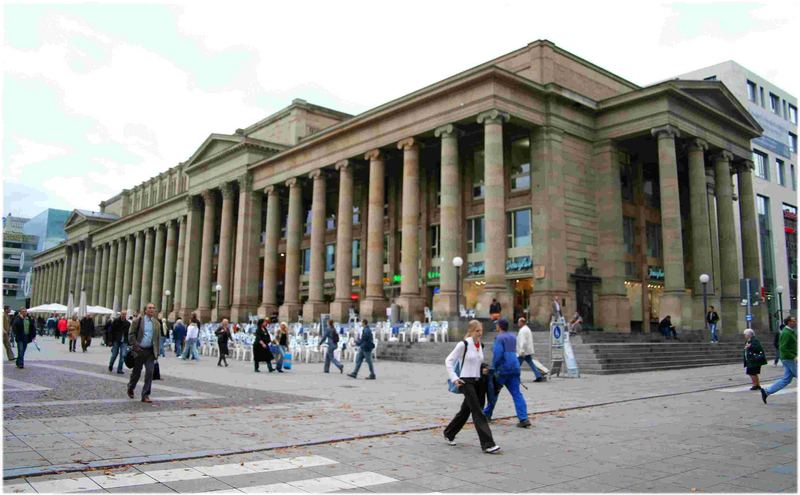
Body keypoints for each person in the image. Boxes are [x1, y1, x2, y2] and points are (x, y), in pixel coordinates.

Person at [443, 319, 500, 454]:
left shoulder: (479, 345)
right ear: (471, 331)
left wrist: (484, 368)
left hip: (477, 381)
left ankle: (449, 432)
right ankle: (488, 444)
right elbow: (448, 361)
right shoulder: (463, 345)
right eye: (477, 331)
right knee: (477, 411)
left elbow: (477, 363)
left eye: (481, 330)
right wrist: (455, 378)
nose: (480, 333)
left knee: (466, 410)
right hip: (465, 381)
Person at [483, 318, 531, 428]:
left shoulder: (499, 338)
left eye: (497, 325)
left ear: (499, 326)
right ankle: (524, 418)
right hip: (515, 367)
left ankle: (486, 414)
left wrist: (493, 367)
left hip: (503, 369)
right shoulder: (513, 336)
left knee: (494, 392)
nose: (496, 327)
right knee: (517, 394)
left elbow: (498, 354)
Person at [127, 303, 161, 403]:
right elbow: (131, 334)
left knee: (150, 373)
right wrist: (135, 346)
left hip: (150, 352)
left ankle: (145, 395)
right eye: (149, 308)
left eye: (153, 308)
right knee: (136, 373)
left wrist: (157, 352)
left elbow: (157, 339)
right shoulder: (138, 321)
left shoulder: (156, 323)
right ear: (145, 310)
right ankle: (131, 387)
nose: (152, 310)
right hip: (140, 351)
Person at [761, 316, 797, 404]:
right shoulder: (786, 333)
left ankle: (766, 391)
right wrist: (794, 356)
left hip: (789, 358)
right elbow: (783, 348)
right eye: (793, 321)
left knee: (786, 379)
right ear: (789, 322)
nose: (795, 322)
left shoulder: (790, 332)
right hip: (789, 359)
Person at [516, 317, 544, 382]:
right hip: (527, 351)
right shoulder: (527, 329)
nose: (518, 324)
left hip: (523, 352)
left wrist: (522, 351)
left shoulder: (523, 330)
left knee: (516, 364)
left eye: (519, 322)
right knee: (531, 363)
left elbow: (523, 341)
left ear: (522, 322)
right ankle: (538, 376)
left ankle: (514, 377)